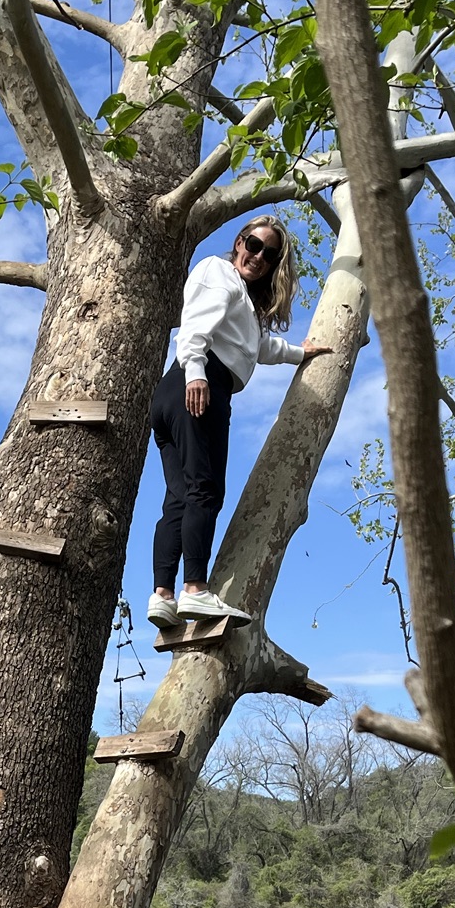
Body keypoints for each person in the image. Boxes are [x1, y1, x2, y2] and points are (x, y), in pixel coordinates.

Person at [148, 217, 326, 629]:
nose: (258, 256)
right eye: (253, 243)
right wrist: (195, 371)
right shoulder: (217, 271)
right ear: (238, 242)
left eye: (270, 253)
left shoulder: (242, 299)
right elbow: (194, 324)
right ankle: (195, 590)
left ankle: (163, 596)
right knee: (206, 490)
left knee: (180, 496)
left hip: (177, 390)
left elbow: (259, 347)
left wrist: (301, 353)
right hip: (200, 381)